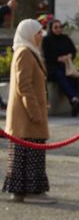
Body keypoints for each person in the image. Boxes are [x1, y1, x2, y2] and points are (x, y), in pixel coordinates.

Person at [2, 19, 55, 204]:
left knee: (27, 154)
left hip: (28, 115)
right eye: (38, 33)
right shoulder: (24, 53)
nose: (40, 36)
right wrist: (35, 112)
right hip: (26, 116)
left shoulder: (28, 52)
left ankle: (24, 191)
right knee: (28, 153)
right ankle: (31, 191)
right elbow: (24, 86)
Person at [41, 19, 79, 116]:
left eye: (60, 27)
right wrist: (58, 59)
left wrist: (69, 56)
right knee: (60, 74)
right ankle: (74, 98)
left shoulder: (65, 38)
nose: (58, 29)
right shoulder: (47, 40)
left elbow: (73, 51)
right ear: (51, 28)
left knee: (73, 78)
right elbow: (46, 56)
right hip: (52, 68)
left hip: (66, 67)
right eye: (55, 27)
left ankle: (74, 101)